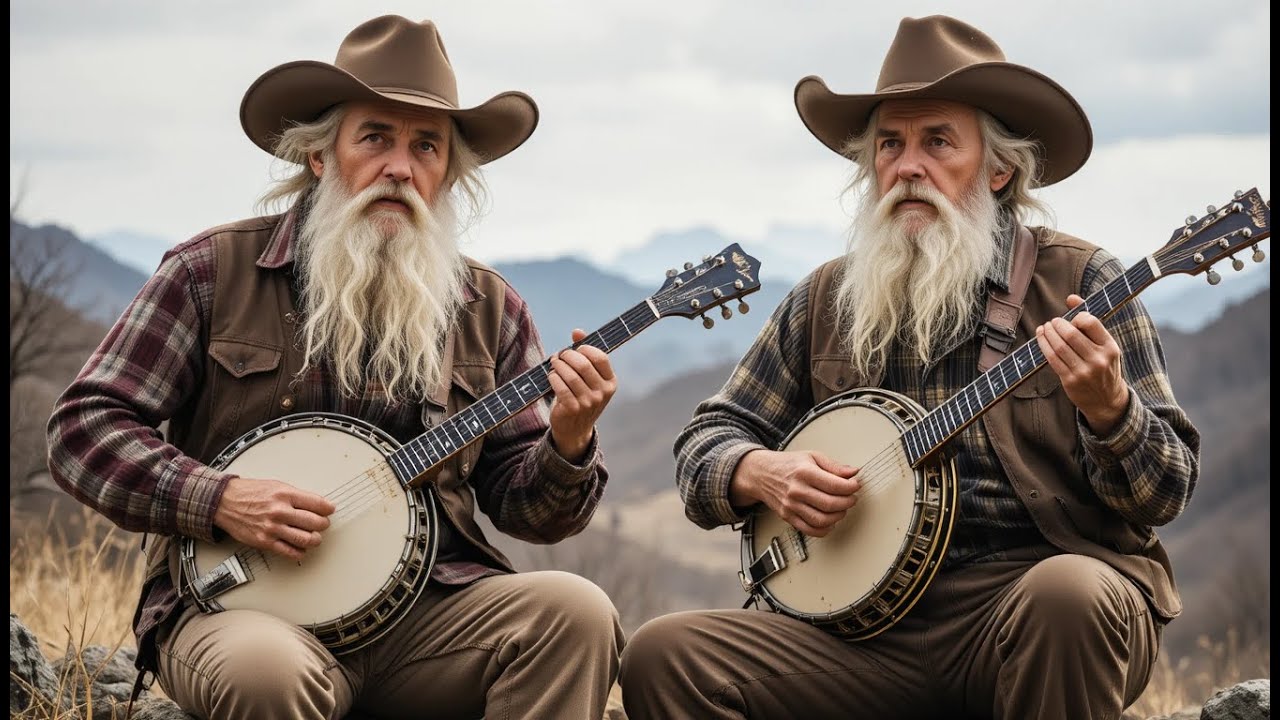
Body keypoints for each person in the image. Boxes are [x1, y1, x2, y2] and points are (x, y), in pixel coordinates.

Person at [619, 15, 1200, 720]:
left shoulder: (1084, 280)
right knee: (665, 656)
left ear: (998, 167)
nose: (907, 167)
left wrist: (1111, 411)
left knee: (1068, 597)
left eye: (937, 142)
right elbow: (705, 441)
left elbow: (1166, 491)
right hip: (857, 636)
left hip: (1029, 609)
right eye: (889, 145)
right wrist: (759, 472)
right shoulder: (826, 298)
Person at [47, 15, 624, 720]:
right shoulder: (210, 272)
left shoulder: (489, 309)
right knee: (268, 674)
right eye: (375, 137)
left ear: (447, 175)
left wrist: (568, 442)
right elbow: (83, 429)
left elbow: (527, 511)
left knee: (576, 612)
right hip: (242, 609)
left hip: (427, 617)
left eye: (427, 147)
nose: (400, 168)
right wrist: (217, 498)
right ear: (321, 156)